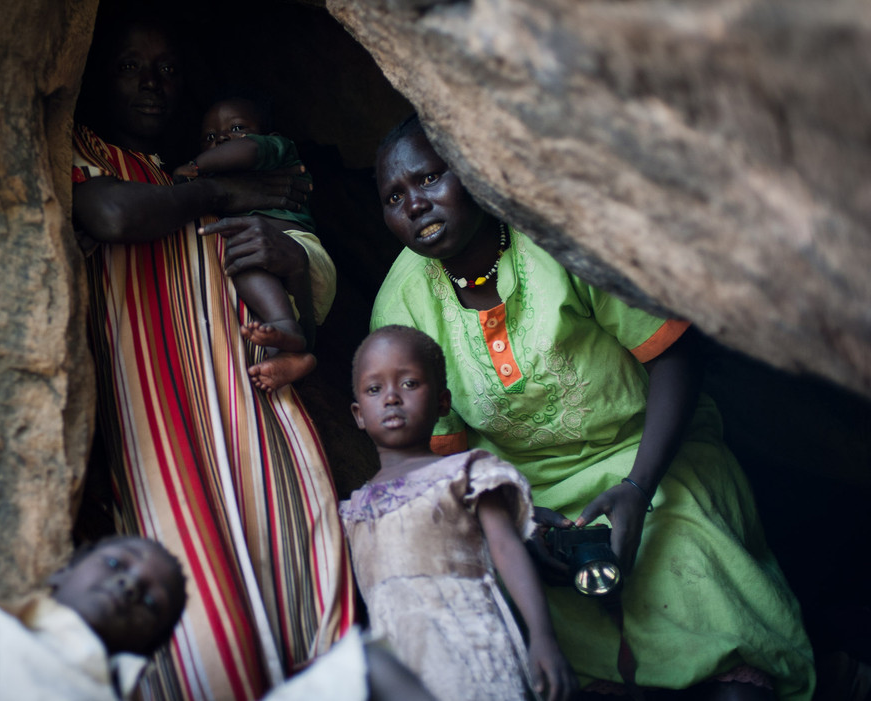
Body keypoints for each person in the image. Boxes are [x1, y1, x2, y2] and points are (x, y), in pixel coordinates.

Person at [369, 114, 815, 699]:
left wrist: (638, 486)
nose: (416, 205)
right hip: (527, 496)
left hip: (653, 453)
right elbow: (440, 459)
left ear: (471, 164)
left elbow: (675, 355)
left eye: (429, 178)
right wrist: (517, 526)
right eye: (395, 196)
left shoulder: (558, 239)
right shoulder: (400, 306)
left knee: (694, 573)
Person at [69, 7, 352, 701]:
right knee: (198, 618)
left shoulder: (190, 172)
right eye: (131, 67)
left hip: (257, 409)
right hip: (156, 423)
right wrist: (219, 191)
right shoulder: (90, 155)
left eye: (167, 71)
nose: (150, 84)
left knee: (303, 575)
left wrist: (287, 260)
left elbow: (302, 301)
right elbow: (111, 216)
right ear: (100, 77)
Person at [340, 325, 576, 701]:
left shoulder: (466, 473)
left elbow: (507, 549)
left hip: (477, 651)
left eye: (410, 384)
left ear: (442, 402)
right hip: (402, 671)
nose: (391, 398)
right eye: (374, 389)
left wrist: (543, 637)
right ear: (358, 414)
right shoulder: (351, 512)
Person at [0, 536, 188, 701]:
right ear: (61, 574)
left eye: (151, 602)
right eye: (114, 563)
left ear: (147, 647)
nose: (129, 585)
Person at [172, 95, 318, 392]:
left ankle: (288, 331)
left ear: (270, 137)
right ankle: (285, 358)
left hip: (297, 248)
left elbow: (249, 150)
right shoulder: (219, 190)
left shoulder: (278, 149)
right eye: (210, 137)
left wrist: (193, 167)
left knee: (245, 255)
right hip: (287, 286)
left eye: (237, 127)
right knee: (243, 259)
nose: (223, 138)